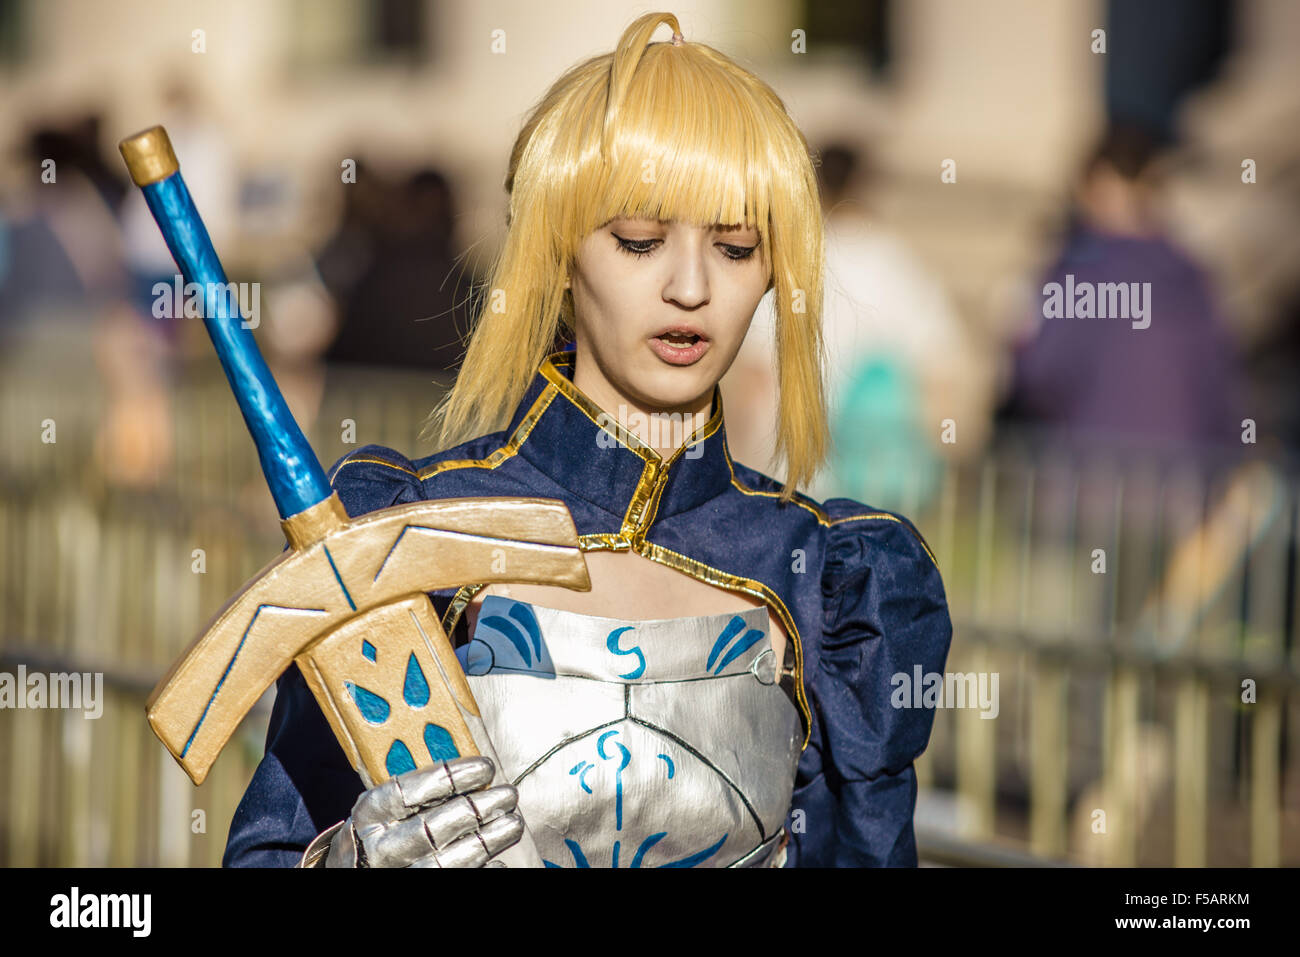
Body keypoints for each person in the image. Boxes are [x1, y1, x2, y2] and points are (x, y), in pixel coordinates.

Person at [223, 11, 952, 869]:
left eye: (737, 246)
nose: (690, 287)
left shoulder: (831, 582)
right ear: (556, 251)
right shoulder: (408, 539)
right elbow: (268, 852)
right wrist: (349, 858)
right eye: (639, 242)